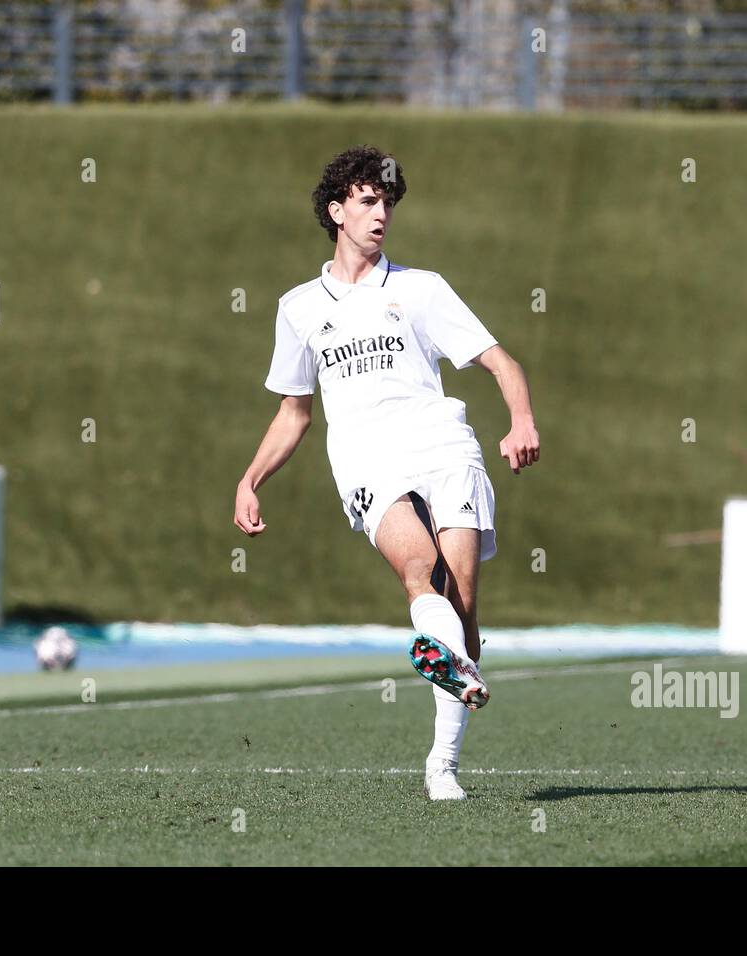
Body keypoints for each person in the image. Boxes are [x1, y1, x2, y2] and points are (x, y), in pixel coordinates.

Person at [233, 145, 540, 800]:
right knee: (417, 569)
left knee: (461, 611)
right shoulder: (297, 308)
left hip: (442, 442)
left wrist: (521, 420)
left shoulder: (420, 289)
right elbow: (294, 412)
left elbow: (500, 362)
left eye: (388, 203)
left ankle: (443, 757)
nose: (381, 214)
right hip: (365, 456)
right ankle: (451, 703)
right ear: (337, 209)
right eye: (369, 200)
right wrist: (251, 478)